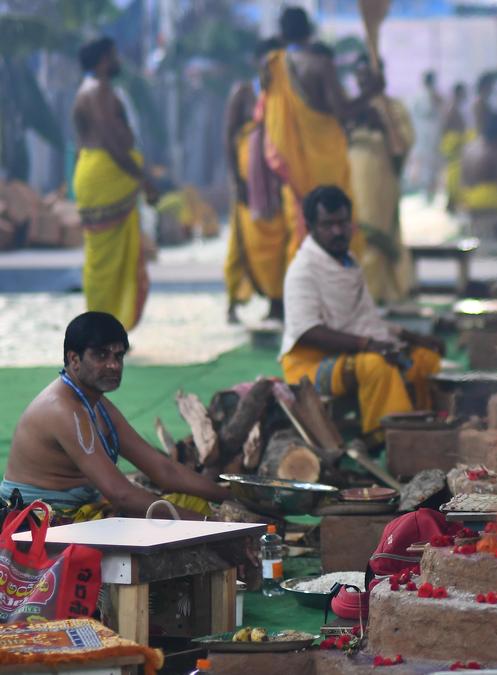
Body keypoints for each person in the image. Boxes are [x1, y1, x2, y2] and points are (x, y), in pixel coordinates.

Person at [3, 313, 230, 521]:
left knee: (195, 504)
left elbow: (163, 470)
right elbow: (122, 495)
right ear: (74, 360)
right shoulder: (63, 409)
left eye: (118, 356)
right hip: (40, 520)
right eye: (101, 355)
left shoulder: (96, 402)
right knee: (180, 522)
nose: (113, 365)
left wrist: (231, 497)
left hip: (84, 509)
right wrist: (209, 524)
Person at [279, 187, 442, 445]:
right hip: (308, 366)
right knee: (376, 364)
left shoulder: (349, 261)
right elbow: (308, 331)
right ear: (310, 227)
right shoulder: (302, 270)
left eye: (343, 223)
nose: (337, 231)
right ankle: (388, 439)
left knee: (425, 359)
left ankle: (424, 427)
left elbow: (366, 318)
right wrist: (367, 345)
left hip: (351, 352)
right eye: (328, 225)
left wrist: (412, 336)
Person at [262, 6, 381, 259]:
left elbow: (269, 118)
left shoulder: (271, 66)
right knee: (335, 219)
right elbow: (342, 109)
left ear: (282, 33)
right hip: (326, 160)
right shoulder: (320, 64)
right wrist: (372, 92)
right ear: (310, 30)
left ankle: (299, 286)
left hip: (293, 163)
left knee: (301, 220)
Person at [71, 37, 156, 331]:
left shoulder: (91, 89)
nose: (118, 60)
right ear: (103, 60)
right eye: (114, 55)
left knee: (110, 257)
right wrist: (143, 178)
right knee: (104, 260)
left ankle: (106, 327)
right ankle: (98, 329)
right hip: (106, 175)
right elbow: (110, 140)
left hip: (103, 174)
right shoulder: (97, 91)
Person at [223, 37, 287, 324]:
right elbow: (228, 137)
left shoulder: (283, 91)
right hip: (248, 184)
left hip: (278, 181)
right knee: (243, 243)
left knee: (281, 242)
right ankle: (234, 301)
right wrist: (236, 181)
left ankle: (277, 302)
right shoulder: (244, 92)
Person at [347, 52, 416, 305]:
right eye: (360, 76)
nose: (364, 81)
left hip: (380, 180)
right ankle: (357, 295)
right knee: (355, 235)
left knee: (377, 236)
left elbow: (403, 145)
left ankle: (379, 293)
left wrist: (384, 125)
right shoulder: (350, 107)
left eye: (370, 76)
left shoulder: (393, 107)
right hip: (350, 180)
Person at [411, 70, 443, 203]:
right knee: (423, 165)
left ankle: (432, 194)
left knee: (433, 165)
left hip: (434, 134)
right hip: (422, 135)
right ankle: (424, 194)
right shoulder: (418, 96)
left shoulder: (437, 96)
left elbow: (441, 112)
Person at [440, 83, 468, 212]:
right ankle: (451, 202)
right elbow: (446, 129)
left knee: (455, 176)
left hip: (455, 145)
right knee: (453, 176)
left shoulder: (454, 108)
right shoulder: (451, 108)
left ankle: (453, 202)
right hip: (453, 146)